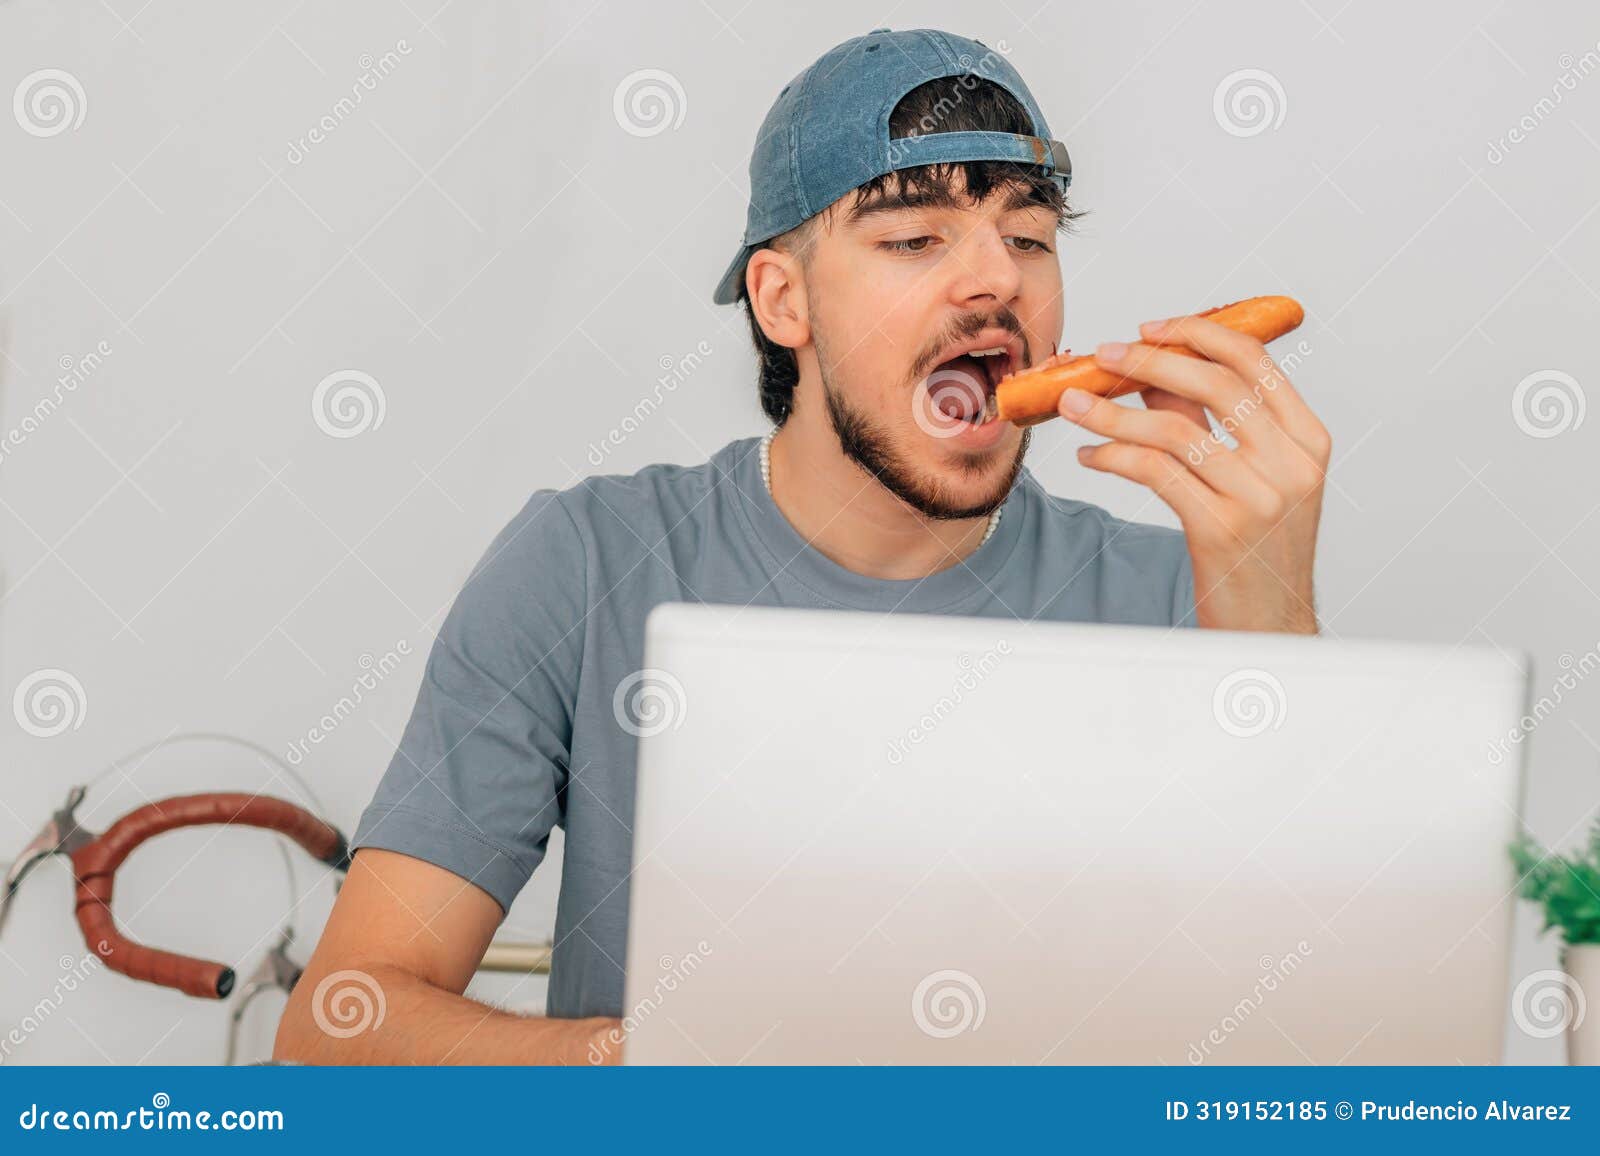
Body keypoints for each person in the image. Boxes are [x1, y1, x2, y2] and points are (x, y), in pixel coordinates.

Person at [274, 27, 1329, 1066]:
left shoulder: (1176, 603)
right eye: (914, 238)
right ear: (784, 300)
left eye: (1029, 235)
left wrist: (1272, 635)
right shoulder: (588, 565)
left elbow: (1318, 1064)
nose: (995, 280)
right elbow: (335, 1030)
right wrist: (656, 1069)